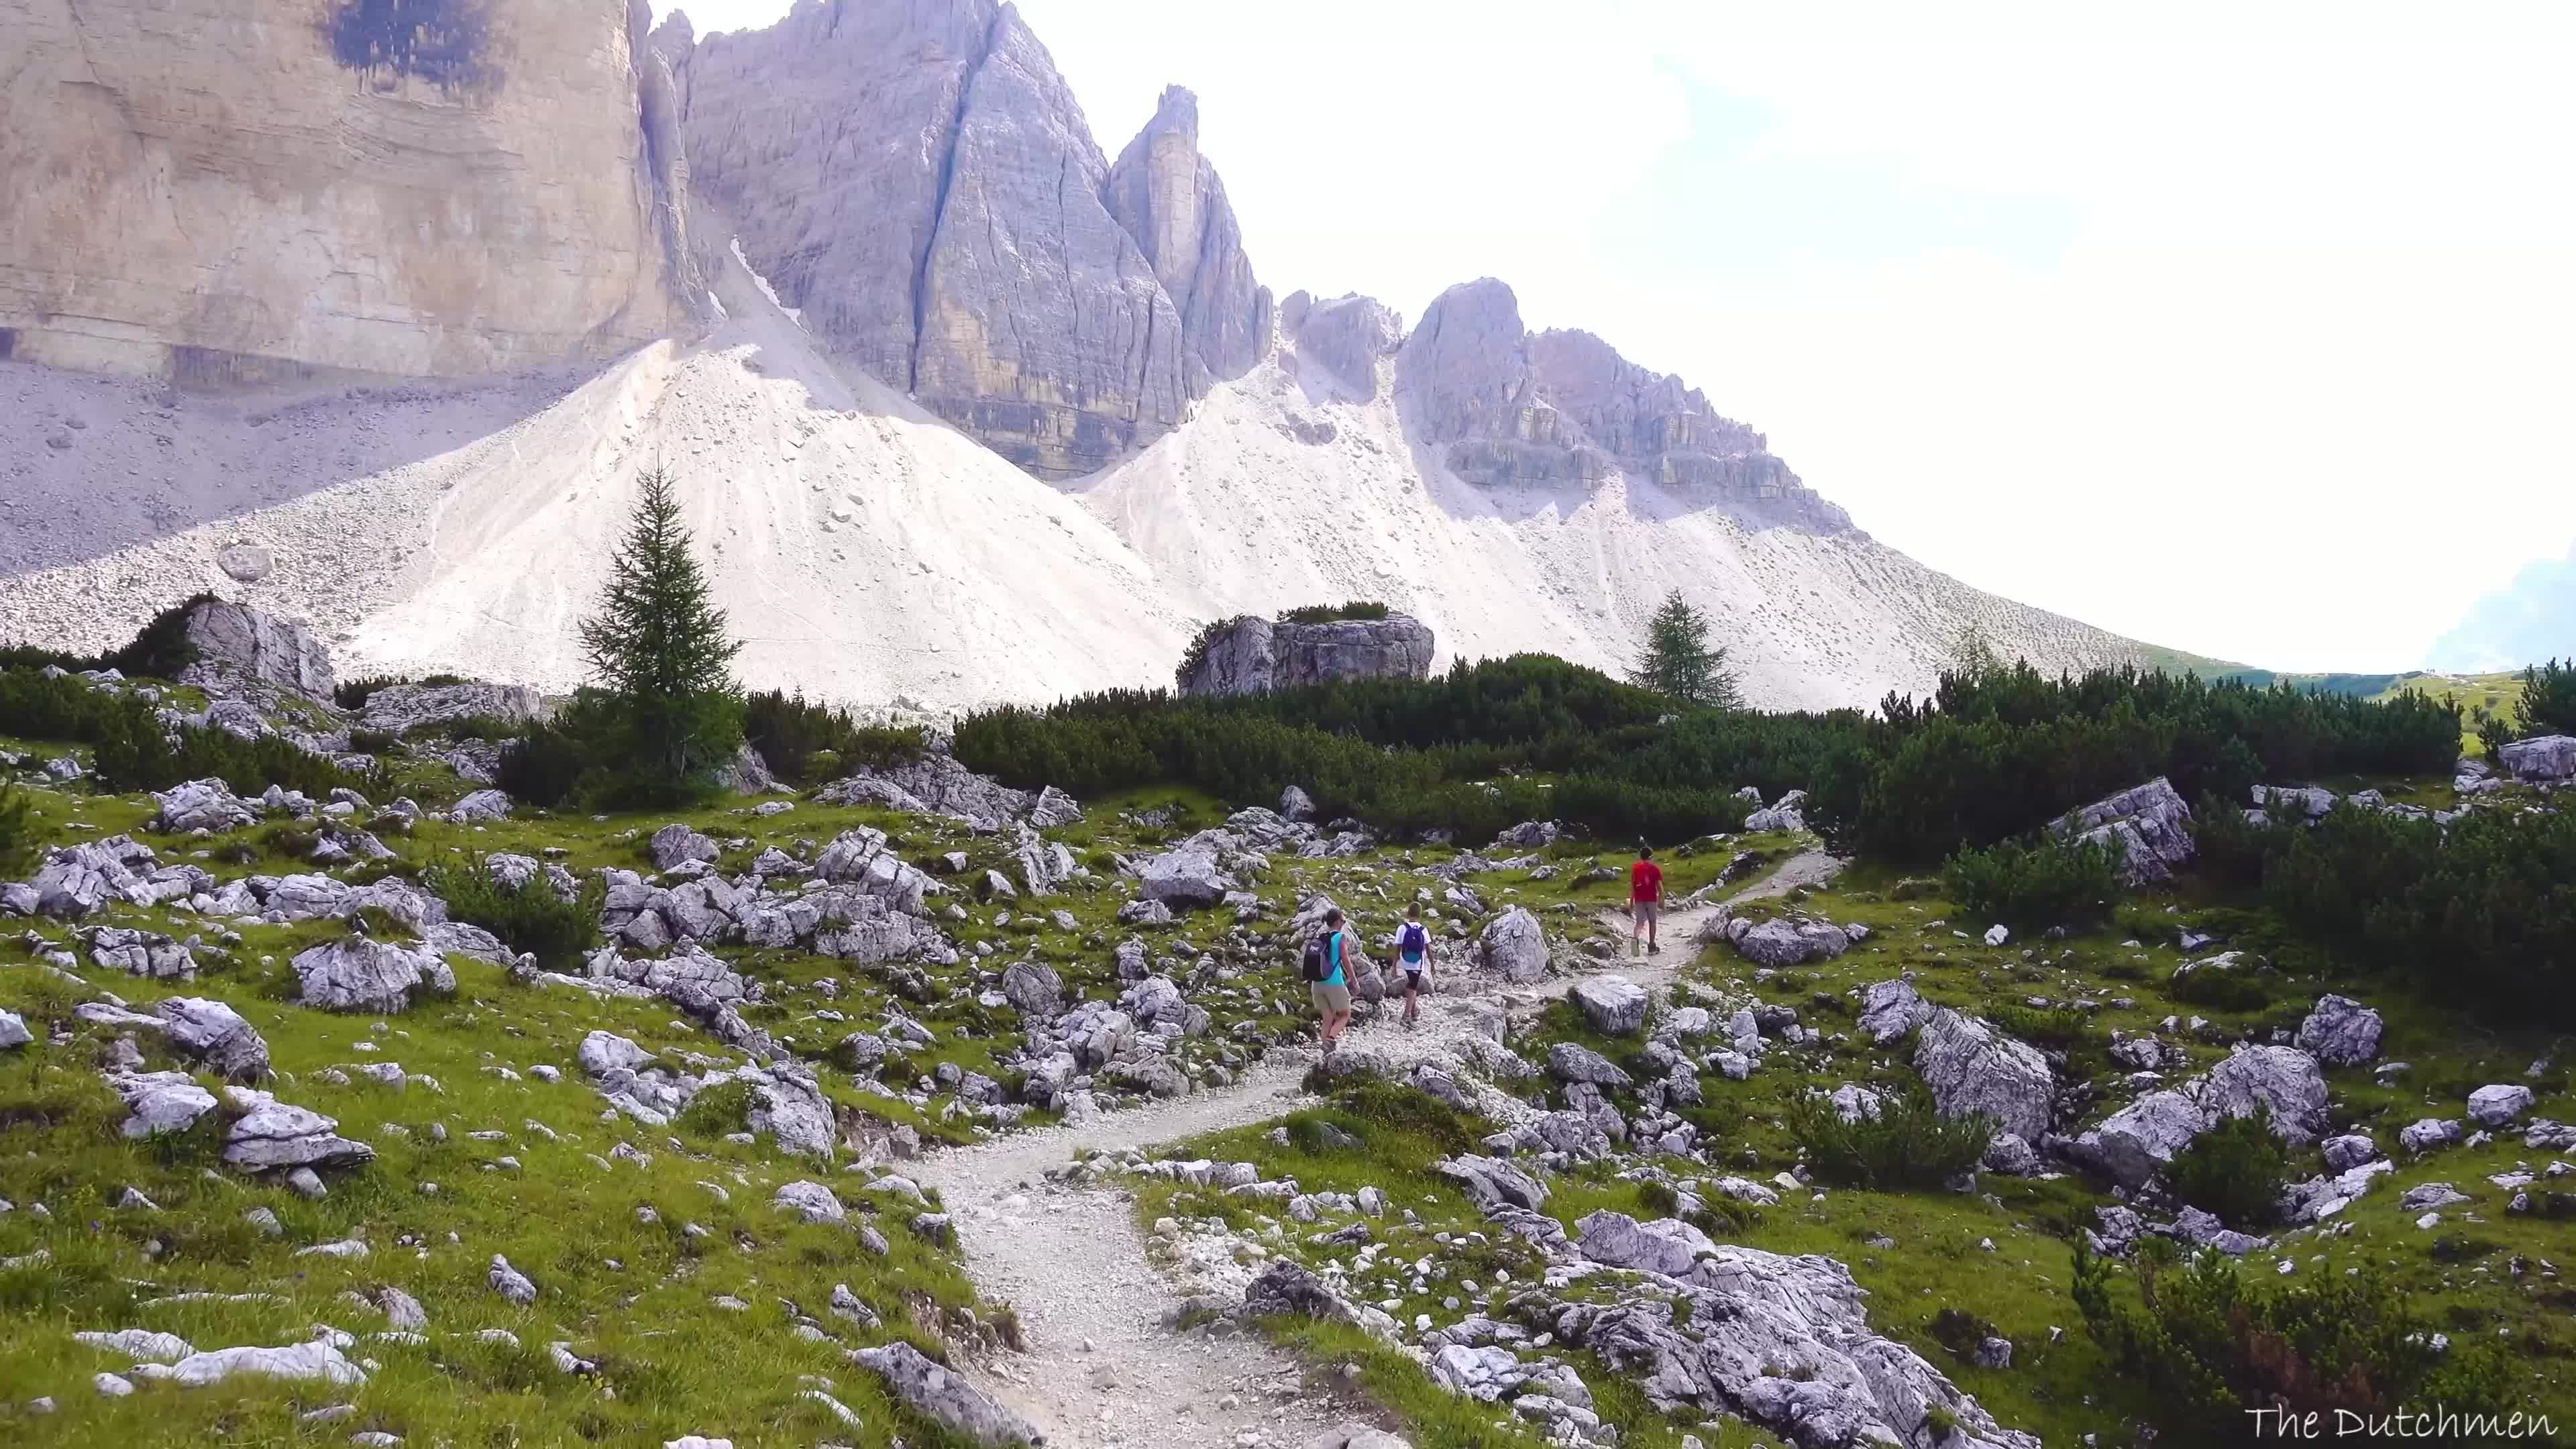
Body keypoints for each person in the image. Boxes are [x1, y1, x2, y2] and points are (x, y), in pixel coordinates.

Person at [1307, 906, 1356, 1053]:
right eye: (1343, 920)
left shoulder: (1321, 937)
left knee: (1327, 1018)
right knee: (1345, 1014)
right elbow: (1345, 960)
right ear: (1337, 922)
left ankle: (1325, 1054)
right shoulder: (1340, 938)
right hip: (1334, 983)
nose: (1343, 923)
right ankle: (1330, 1040)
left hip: (1317, 984)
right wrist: (1353, 979)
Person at [1394, 902, 1435, 1030]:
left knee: (1411, 985)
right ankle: (1406, 1017)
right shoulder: (1423, 929)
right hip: (1417, 963)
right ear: (1420, 914)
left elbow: (1397, 947)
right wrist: (1433, 964)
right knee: (1412, 987)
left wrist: (1394, 965)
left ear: (1408, 913)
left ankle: (1414, 1010)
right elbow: (1428, 949)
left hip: (1405, 961)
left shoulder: (1402, 928)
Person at [1630, 844, 1664, 957]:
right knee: (1652, 922)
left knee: (1639, 923)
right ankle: (1652, 947)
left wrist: (1631, 901)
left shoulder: (1636, 868)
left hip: (1639, 899)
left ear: (1641, 857)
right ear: (1651, 857)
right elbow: (1659, 887)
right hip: (1651, 899)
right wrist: (1662, 900)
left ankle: (1635, 944)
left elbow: (1633, 886)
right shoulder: (1655, 869)